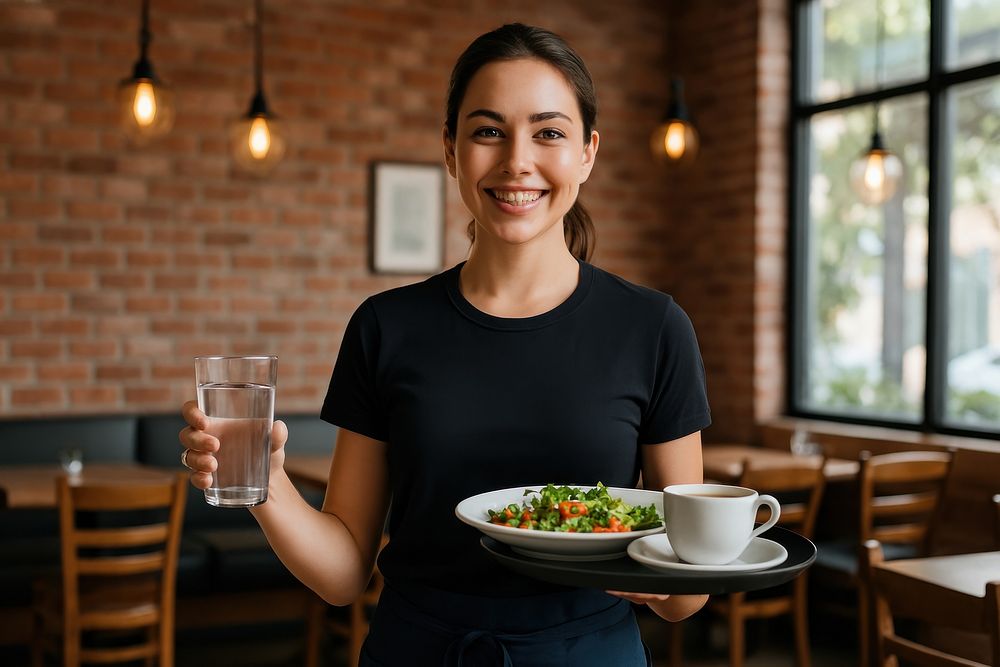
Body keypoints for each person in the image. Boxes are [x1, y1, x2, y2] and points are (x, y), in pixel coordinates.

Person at [179, 22, 712, 666]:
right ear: (452, 151)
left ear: (588, 154)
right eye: (488, 130)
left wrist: (667, 578)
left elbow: (686, 595)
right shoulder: (386, 326)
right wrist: (263, 483)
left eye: (548, 132)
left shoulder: (654, 328)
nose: (517, 160)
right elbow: (344, 573)